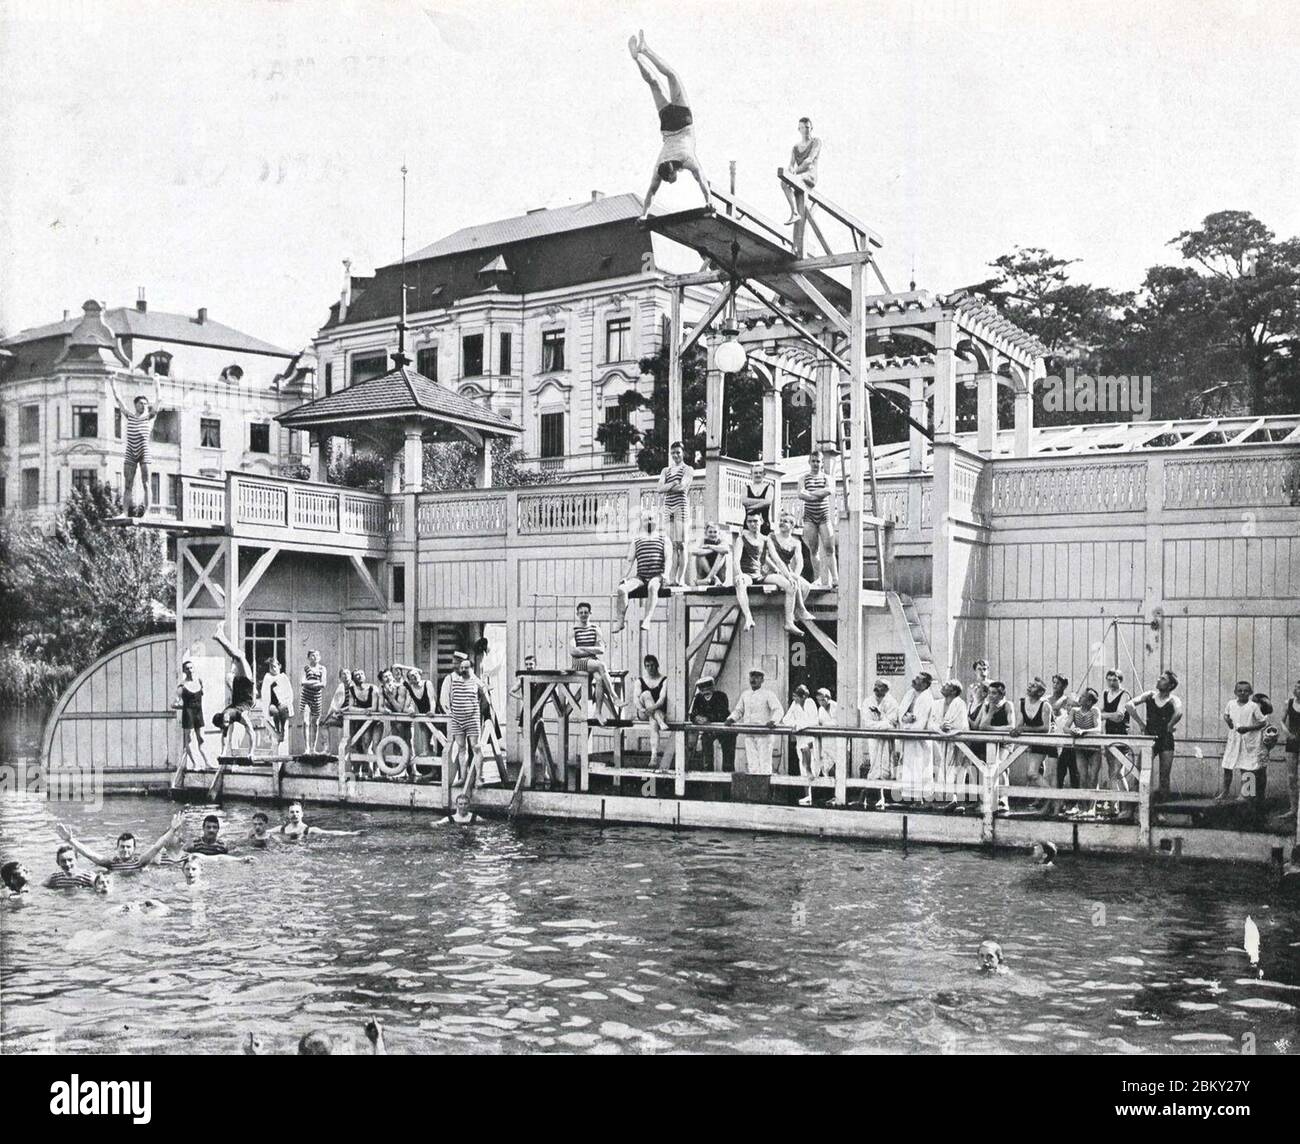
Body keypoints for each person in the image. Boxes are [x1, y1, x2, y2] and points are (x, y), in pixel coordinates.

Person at [629, 31, 710, 217]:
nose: (671, 182)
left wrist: (709, 201)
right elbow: (651, 192)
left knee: (666, 79)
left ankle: (642, 53)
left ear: (672, 172)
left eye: (671, 179)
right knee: (659, 82)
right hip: (667, 124)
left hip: (682, 121)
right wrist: (643, 213)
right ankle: (640, 55)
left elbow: (702, 180)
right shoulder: (660, 164)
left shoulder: (687, 160)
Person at [55, 811, 186, 873]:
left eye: (128, 847)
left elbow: (157, 846)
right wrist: (70, 840)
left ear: (134, 849)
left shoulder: (139, 862)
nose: (125, 850)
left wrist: (173, 830)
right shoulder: (111, 863)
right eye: (122, 847)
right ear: (117, 848)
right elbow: (91, 855)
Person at [107, 371, 162, 517]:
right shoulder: (130, 416)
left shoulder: (149, 418)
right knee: (128, 484)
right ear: (135, 404)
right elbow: (118, 400)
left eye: (145, 404)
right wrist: (112, 383)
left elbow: (159, 400)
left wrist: (157, 383)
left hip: (144, 452)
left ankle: (147, 512)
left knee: (146, 483)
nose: (143, 406)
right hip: (131, 451)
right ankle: (125, 512)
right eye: (141, 403)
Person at [1126, 670, 1183, 801]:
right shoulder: (1149, 695)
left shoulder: (1173, 699)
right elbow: (1129, 705)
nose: (1158, 680)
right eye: (1159, 677)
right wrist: (1140, 723)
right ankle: (1134, 808)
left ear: (1170, 685)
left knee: (1164, 776)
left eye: (1162, 679)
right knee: (1139, 772)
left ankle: (1160, 810)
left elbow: (1179, 713)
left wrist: (1170, 724)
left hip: (1166, 740)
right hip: (1149, 739)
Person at [615, 510, 671, 633]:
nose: (649, 522)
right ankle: (620, 621)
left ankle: (647, 619)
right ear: (642, 522)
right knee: (622, 589)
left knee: (652, 587)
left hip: (657, 575)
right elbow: (629, 560)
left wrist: (666, 575)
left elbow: (668, 559)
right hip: (641, 576)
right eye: (646, 519)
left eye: (652, 519)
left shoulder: (663, 538)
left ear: (657, 521)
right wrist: (623, 577)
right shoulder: (637, 540)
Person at [511, 654, 560, 788]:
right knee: (528, 747)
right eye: (526, 665)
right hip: (525, 714)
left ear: (535, 665)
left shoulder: (541, 680)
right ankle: (529, 774)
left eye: (531, 664)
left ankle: (544, 773)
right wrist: (522, 698)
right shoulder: (522, 678)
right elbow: (511, 691)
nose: (528, 667)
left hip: (537, 714)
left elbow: (551, 691)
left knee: (540, 748)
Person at [446, 653, 492, 790]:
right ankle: (463, 777)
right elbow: (452, 699)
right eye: (462, 667)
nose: (464, 670)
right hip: (457, 719)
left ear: (471, 668)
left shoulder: (477, 683)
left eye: (466, 667)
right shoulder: (454, 682)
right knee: (461, 748)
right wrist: (453, 713)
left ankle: (478, 777)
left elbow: (485, 702)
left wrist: (482, 717)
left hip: (472, 719)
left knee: (476, 747)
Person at [766, 511, 816, 634]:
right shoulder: (771, 537)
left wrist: (795, 575)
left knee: (806, 586)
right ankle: (801, 610)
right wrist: (789, 576)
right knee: (793, 583)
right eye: (781, 521)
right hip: (772, 570)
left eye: (786, 521)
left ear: (792, 526)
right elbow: (775, 559)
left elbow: (800, 562)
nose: (782, 523)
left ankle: (796, 612)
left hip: (787, 572)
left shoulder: (796, 543)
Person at [726, 669, 784, 775]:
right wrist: (731, 718)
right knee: (752, 765)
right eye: (752, 676)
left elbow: (778, 709)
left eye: (757, 677)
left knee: (764, 765)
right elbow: (739, 710)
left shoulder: (768, 694)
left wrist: (773, 721)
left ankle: (765, 790)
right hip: (749, 734)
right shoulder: (745, 694)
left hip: (764, 735)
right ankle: (755, 791)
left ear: (762, 680)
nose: (753, 679)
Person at [1008, 677, 1053, 812]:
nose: (1029, 687)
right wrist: (1018, 730)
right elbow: (1020, 724)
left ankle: (1053, 797)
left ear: (1040, 692)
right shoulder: (1023, 703)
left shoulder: (1045, 705)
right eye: (1029, 685)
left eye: (1033, 686)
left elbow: (1046, 729)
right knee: (1036, 772)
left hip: (1046, 742)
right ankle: (1043, 800)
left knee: (1032, 773)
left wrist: (1024, 729)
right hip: (1033, 742)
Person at [570, 602, 619, 724]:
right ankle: (614, 696)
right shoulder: (574, 629)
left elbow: (601, 649)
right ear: (577, 614)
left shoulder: (596, 628)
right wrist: (591, 649)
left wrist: (583, 648)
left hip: (592, 661)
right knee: (602, 665)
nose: (583, 615)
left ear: (590, 613)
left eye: (586, 612)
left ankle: (597, 712)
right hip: (578, 663)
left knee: (599, 678)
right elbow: (572, 651)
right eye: (581, 613)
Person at [1218, 680, 1267, 803]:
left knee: (1247, 767)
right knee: (1227, 765)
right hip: (1234, 739)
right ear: (1235, 692)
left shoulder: (1253, 706)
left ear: (1250, 692)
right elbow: (1226, 714)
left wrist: (1248, 729)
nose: (1242, 693)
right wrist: (1227, 720)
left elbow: (1263, 722)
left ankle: (1246, 793)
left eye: (1246, 691)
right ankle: (1225, 791)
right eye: (1239, 690)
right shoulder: (1231, 703)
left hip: (1248, 740)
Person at [212, 622, 257, 755]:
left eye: (225, 720)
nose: (227, 722)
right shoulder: (233, 715)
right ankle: (220, 636)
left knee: (238, 655)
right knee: (239, 655)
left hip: (242, 685)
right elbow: (226, 736)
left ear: (222, 716)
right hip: (245, 686)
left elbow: (249, 732)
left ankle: (220, 636)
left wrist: (251, 753)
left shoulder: (230, 714)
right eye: (226, 722)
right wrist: (222, 752)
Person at [798, 450, 837, 589]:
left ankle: (835, 579)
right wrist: (817, 495)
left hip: (824, 516)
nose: (815, 464)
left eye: (818, 461)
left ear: (822, 463)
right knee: (813, 549)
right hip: (809, 517)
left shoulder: (827, 478)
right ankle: (818, 578)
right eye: (813, 461)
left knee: (829, 548)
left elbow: (829, 491)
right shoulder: (803, 478)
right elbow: (800, 494)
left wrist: (810, 494)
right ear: (809, 462)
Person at [896, 672, 937, 802]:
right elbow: (900, 713)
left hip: (920, 739)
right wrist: (905, 719)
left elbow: (921, 723)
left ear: (925, 684)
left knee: (920, 767)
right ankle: (908, 797)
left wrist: (908, 726)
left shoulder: (927, 698)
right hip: (908, 737)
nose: (914, 680)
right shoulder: (910, 694)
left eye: (918, 679)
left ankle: (920, 799)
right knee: (908, 767)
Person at [858, 679, 899, 808]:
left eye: (880, 686)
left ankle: (884, 797)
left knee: (886, 766)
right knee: (874, 764)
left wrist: (880, 717)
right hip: (874, 739)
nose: (876, 688)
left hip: (887, 739)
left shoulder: (892, 703)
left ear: (886, 689)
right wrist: (882, 723)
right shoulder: (867, 702)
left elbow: (891, 722)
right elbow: (867, 722)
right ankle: (869, 795)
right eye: (875, 685)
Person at [1098, 670, 1133, 819]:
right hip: (1109, 736)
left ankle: (1127, 806)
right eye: (1109, 680)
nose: (1112, 682)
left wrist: (1103, 715)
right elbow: (1097, 711)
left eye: (1115, 680)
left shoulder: (1124, 694)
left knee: (1117, 772)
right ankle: (1115, 806)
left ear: (1120, 680)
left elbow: (1119, 716)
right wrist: (1104, 715)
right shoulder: (1105, 694)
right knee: (1112, 772)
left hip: (1121, 737)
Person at [656, 441, 693, 583]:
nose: (676, 455)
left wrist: (668, 486)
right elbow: (659, 488)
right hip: (668, 508)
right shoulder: (666, 470)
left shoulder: (688, 469)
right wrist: (672, 483)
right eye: (673, 453)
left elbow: (682, 487)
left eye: (678, 452)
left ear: (683, 453)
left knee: (682, 544)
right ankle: (672, 578)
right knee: (672, 545)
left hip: (680, 507)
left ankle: (680, 578)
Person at [1065, 688, 1102, 817]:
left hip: (1094, 748)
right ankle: (1083, 807)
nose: (1080, 698)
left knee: (1093, 777)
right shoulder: (1075, 711)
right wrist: (1073, 731)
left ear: (1090, 701)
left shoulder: (1094, 711)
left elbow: (1098, 728)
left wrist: (1084, 731)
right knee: (1082, 777)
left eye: (1083, 697)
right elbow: (1065, 727)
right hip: (1080, 749)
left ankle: (1092, 808)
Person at [935, 680, 970, 804]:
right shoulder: (937, 704)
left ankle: (956, 799)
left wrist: (947, 728)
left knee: (957, 770)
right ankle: (944, 797)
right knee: (942, 768)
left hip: (956, 742)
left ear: (954, 691)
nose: (943, 686)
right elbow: (932, 721)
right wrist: (940, 727)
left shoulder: (960, 704)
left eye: (947, 685)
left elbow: (961, 724)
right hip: (941, 741)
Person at [782, 116, 822, 225]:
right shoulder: (795, 147)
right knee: (784, 182)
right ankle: (794, 212)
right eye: (802, 128)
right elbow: (791, 164)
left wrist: (795, 171)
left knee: (796, 180)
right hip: (799, 175)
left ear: (811, 128)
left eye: (807, 127)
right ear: (799, 129)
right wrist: (790, 170)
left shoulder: (816, 142)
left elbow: (809, 161)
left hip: (810, 176)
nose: (805, 130)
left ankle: (798, 213)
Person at [689, 676, 734, 772]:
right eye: (702, 688)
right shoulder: (698, 698)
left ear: (713, 687)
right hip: (709, 730)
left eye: (708, 687)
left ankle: (727, 778)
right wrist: (697, 718)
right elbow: (693, 714)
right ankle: (708, 775)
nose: (705, 690)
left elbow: (722, 714)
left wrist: (707, 718)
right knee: (706, 748)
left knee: (728, 758)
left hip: (725, 729)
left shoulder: (721, 696)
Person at [174, 656, 211, 772]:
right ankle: (195, 763)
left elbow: (202, 694)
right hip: (188, 713)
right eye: (187, 668)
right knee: (189, 739)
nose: (190, 670)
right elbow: (174, 703)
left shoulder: (199, 681)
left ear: (194, 669)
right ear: (184, 671)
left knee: (201, 738)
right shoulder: (182, 686)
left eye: (191, 668)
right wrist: (183, 706)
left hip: (198, 713)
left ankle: (207, 763)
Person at [732, 512, 767, 631]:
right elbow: (736, 560)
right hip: (747, 575)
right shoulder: (741, 539)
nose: (752, 524)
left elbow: (765, 558)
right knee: (740, 582)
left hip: (760, 575)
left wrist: (777, 569)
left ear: (761, 521)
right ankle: (748, 617)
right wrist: (740, 574)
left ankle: (793, 616)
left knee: (785, 582)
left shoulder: (765, 540)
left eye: (755, 521)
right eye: (749, 521)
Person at [783, 683, 818, 794]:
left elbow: (813, 721)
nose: (794, 699)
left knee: (813, 766)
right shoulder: (794, 704)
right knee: (803, 767)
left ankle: (813, 795)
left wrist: (799, 725)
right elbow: (786, 720)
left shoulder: (810, 703)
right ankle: (808, 796)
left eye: (796, 696)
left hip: (811, 738)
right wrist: (794, 724)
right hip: (800, 739)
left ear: (803, 697)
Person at [636, 654, 670, 769]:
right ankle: (660, 721)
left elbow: (661, 700)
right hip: (643, 712)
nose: (650, 668)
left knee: (653, 720)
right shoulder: (640, 681)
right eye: (647, 666)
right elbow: (636, 700)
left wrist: (652, 709)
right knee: (646, 694)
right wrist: (643, 709)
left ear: (657, 666)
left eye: (652, 665)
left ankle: (653, 756)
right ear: (645, 667)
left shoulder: (664, 680)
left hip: (657, 710)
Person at [814, 687, 845, 802]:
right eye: (818, 700)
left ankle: (839, 794)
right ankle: (830, 794)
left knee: (837, 766)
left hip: (836, 742)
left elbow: (839, 722)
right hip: (826, 741)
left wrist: (824, 724)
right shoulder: (821, 710)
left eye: (822, 700)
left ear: (828, 698)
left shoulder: (836, 707)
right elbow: (818, 722)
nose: (821, 702)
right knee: (826, 767)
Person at [270, 802, 360, 840]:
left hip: (299, 852)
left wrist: (352, 834)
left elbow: (331, 832)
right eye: (292, 812)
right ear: (288, 814)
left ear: (302, 814)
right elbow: (264, 832)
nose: (295, 814)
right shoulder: (281, 829)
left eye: (297, 812)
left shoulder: (308, 830)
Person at [400, 665, 437, 757]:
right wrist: (410, 711)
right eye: (412, 676)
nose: (415, 676)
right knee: (427, 744)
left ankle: (438, 768)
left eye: (416, 673)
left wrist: (432, 711)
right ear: (410, 680)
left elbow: (432, 700)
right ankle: (431, 768)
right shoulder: (411, 690)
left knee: (438, 741)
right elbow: (405, 707)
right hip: (423, 718)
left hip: (436, 715)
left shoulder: (427, 683)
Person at [1279, 678, 1300, 829]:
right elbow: (1281, 721)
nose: (1298, 690)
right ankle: (1293, 809)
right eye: (1296, 687)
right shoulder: (1289, 703)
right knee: (1291, 777)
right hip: (1292, 742)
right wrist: (1288, 734)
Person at [260, 658, 294, 745]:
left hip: (281, 702)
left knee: (282, 710)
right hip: (271, 703)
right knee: (274, 711)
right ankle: (277, 730)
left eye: (275, 666)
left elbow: (289, 691)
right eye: (271, 667)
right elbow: (264, 692)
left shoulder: (283, 677)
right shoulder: (267, 677)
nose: (273, 669)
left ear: (279, 666)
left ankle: (282, 729)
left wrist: (287, 701)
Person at [300, 650, 327, 753]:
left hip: (317, 698)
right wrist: (316, 682)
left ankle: (313, 748)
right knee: (305, 722)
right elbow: (302, 682)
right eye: (312, 656)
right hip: (305, 698)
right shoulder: (306, 668)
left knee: (315, 723)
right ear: (308, 657)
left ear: (319, 657)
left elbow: (323, 684)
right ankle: (306, 748)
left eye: (316, 656)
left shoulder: (322, 669)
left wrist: (309, 683)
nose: (314, 657)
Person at [321, 667, 352, 754]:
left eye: (348, 674)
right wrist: (326, 718)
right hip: (341, 717)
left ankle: (348, 754)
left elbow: (355, 704)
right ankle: (326, 749)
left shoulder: (354, 686)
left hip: (352, 717)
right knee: (324, 724)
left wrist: (343, 710)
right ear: (340, 678)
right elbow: (334, 705)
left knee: (351, 735)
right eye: (343, 674)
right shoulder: (340, 687)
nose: (346, 676)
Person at [740, 461, 776, 534]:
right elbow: (744, 501)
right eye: (755, 473)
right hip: (749, 523)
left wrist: (751, 507)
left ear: (764, 474)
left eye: (760, 473)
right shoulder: (746, 488)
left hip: (764, 524)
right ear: (751, 474)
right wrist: (762, 501)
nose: (758, 475)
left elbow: (768, 501)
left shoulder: (769, 487)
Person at [691, 521, 732, 586]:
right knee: (700, 555)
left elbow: (726, 550)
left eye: (715, 532)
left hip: (719, 577)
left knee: (722, 554)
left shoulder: (722, 541)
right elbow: (693, 551)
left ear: (719, 533)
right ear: (706, 533)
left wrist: (710, 546)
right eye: (710, 532)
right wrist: (713, 550)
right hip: (703, 576)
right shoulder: (703, 541)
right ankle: (712, 578)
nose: (713, 534)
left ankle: (710, 578)